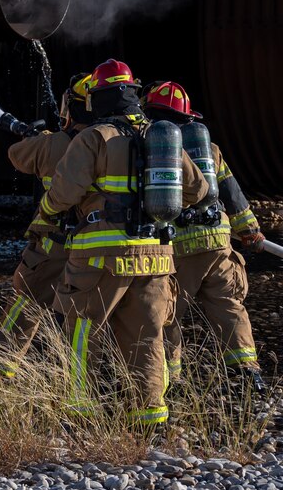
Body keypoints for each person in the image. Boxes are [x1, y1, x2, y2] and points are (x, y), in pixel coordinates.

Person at [39, 60, 208, 428]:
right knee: (147, 337)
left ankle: (79, 412)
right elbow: (199, 190)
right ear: (133, 94)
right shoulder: (161, 136)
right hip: (157, 258)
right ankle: (150, 420)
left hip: (101, 257)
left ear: (98, 99)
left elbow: (64, 192)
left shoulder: (94, 137)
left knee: (82, 328)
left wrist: (48, 210)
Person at [140, 81, 267, 395]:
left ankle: (173, 380)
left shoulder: (152, 144)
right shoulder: (208, 148)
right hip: (218, 241)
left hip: (179, 247)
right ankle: (248, 372)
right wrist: (249, 231)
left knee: (169, 314)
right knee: (228, 305)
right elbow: (231, 193)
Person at [0, 74, 94, 375]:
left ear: (71, 108)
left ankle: (0, 363)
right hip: (99, 244)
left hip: (56, 244)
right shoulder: (113, 143)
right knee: (92, 313)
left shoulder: (53, 144)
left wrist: (34, 137)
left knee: (29, 300)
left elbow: (15, 156)